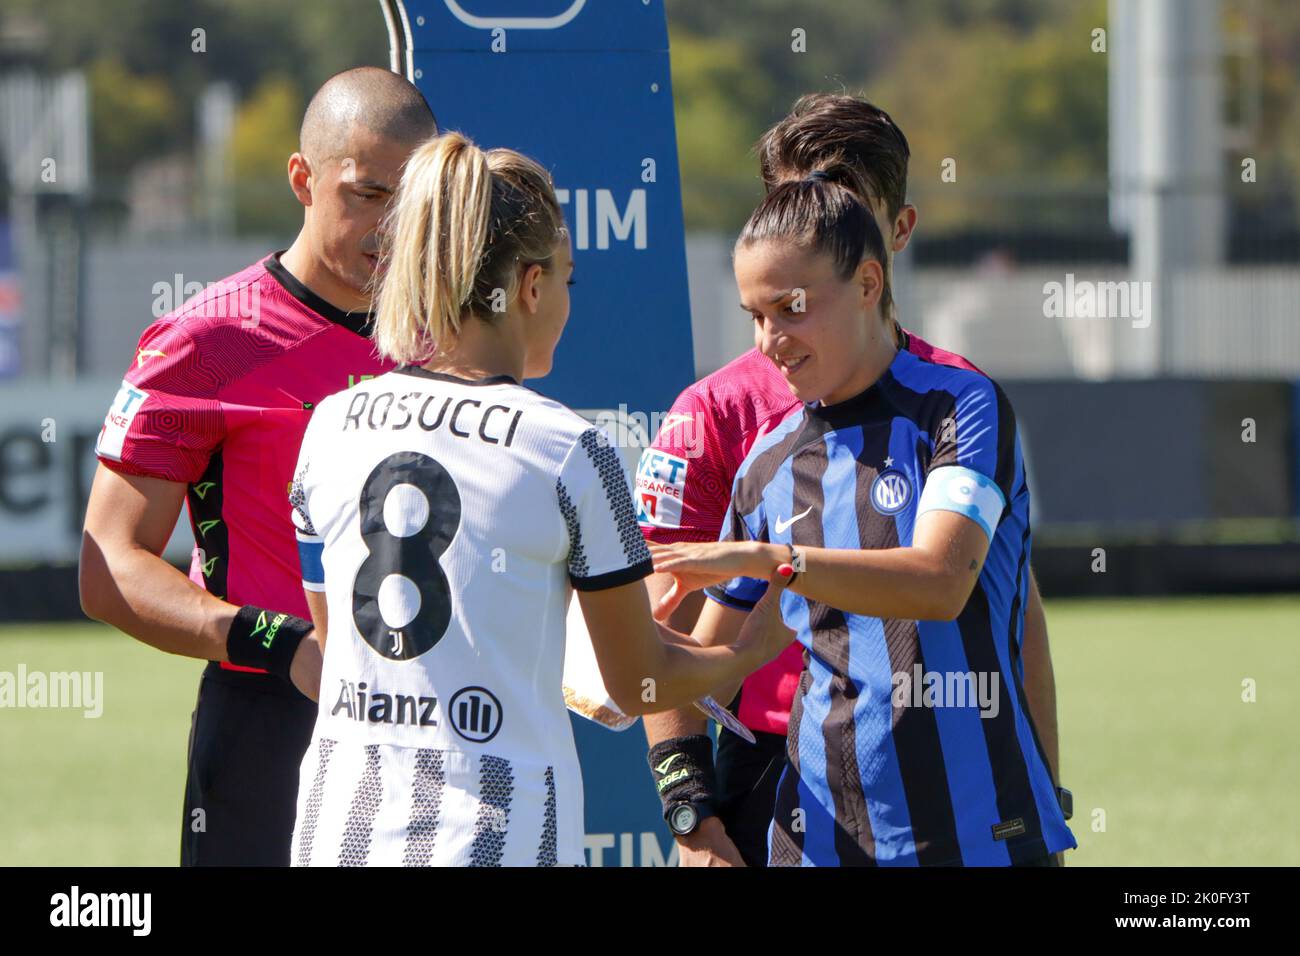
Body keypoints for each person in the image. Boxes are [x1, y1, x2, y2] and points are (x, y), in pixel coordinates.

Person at [285, 132, 794, 867]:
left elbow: (346, 650)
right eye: (567, 280)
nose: (565, 301)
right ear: (529, 286)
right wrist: (752, 647)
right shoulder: (566, 448)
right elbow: (640, 681)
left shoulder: (329, 424)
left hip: (336, 834)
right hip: (497, 840)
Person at [638, 94, 1068, 867]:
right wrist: (683, 798)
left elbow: (958, 589)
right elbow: (688, 662)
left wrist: (1049, 795)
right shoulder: (747, 441)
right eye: (755, 313)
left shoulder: (961, 401)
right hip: (800, 803)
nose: (770, 339)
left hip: (978, 820)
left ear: (875, 263)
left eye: (791, 307)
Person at [78, 67, 437, 866]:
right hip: (271, 721)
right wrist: (286, 646)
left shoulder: (449, 336)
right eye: (368, 195)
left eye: (411, 202)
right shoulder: (206, 341)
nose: (390, 227)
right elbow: (109, 567)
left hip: (434, 721)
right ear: (302, 179)